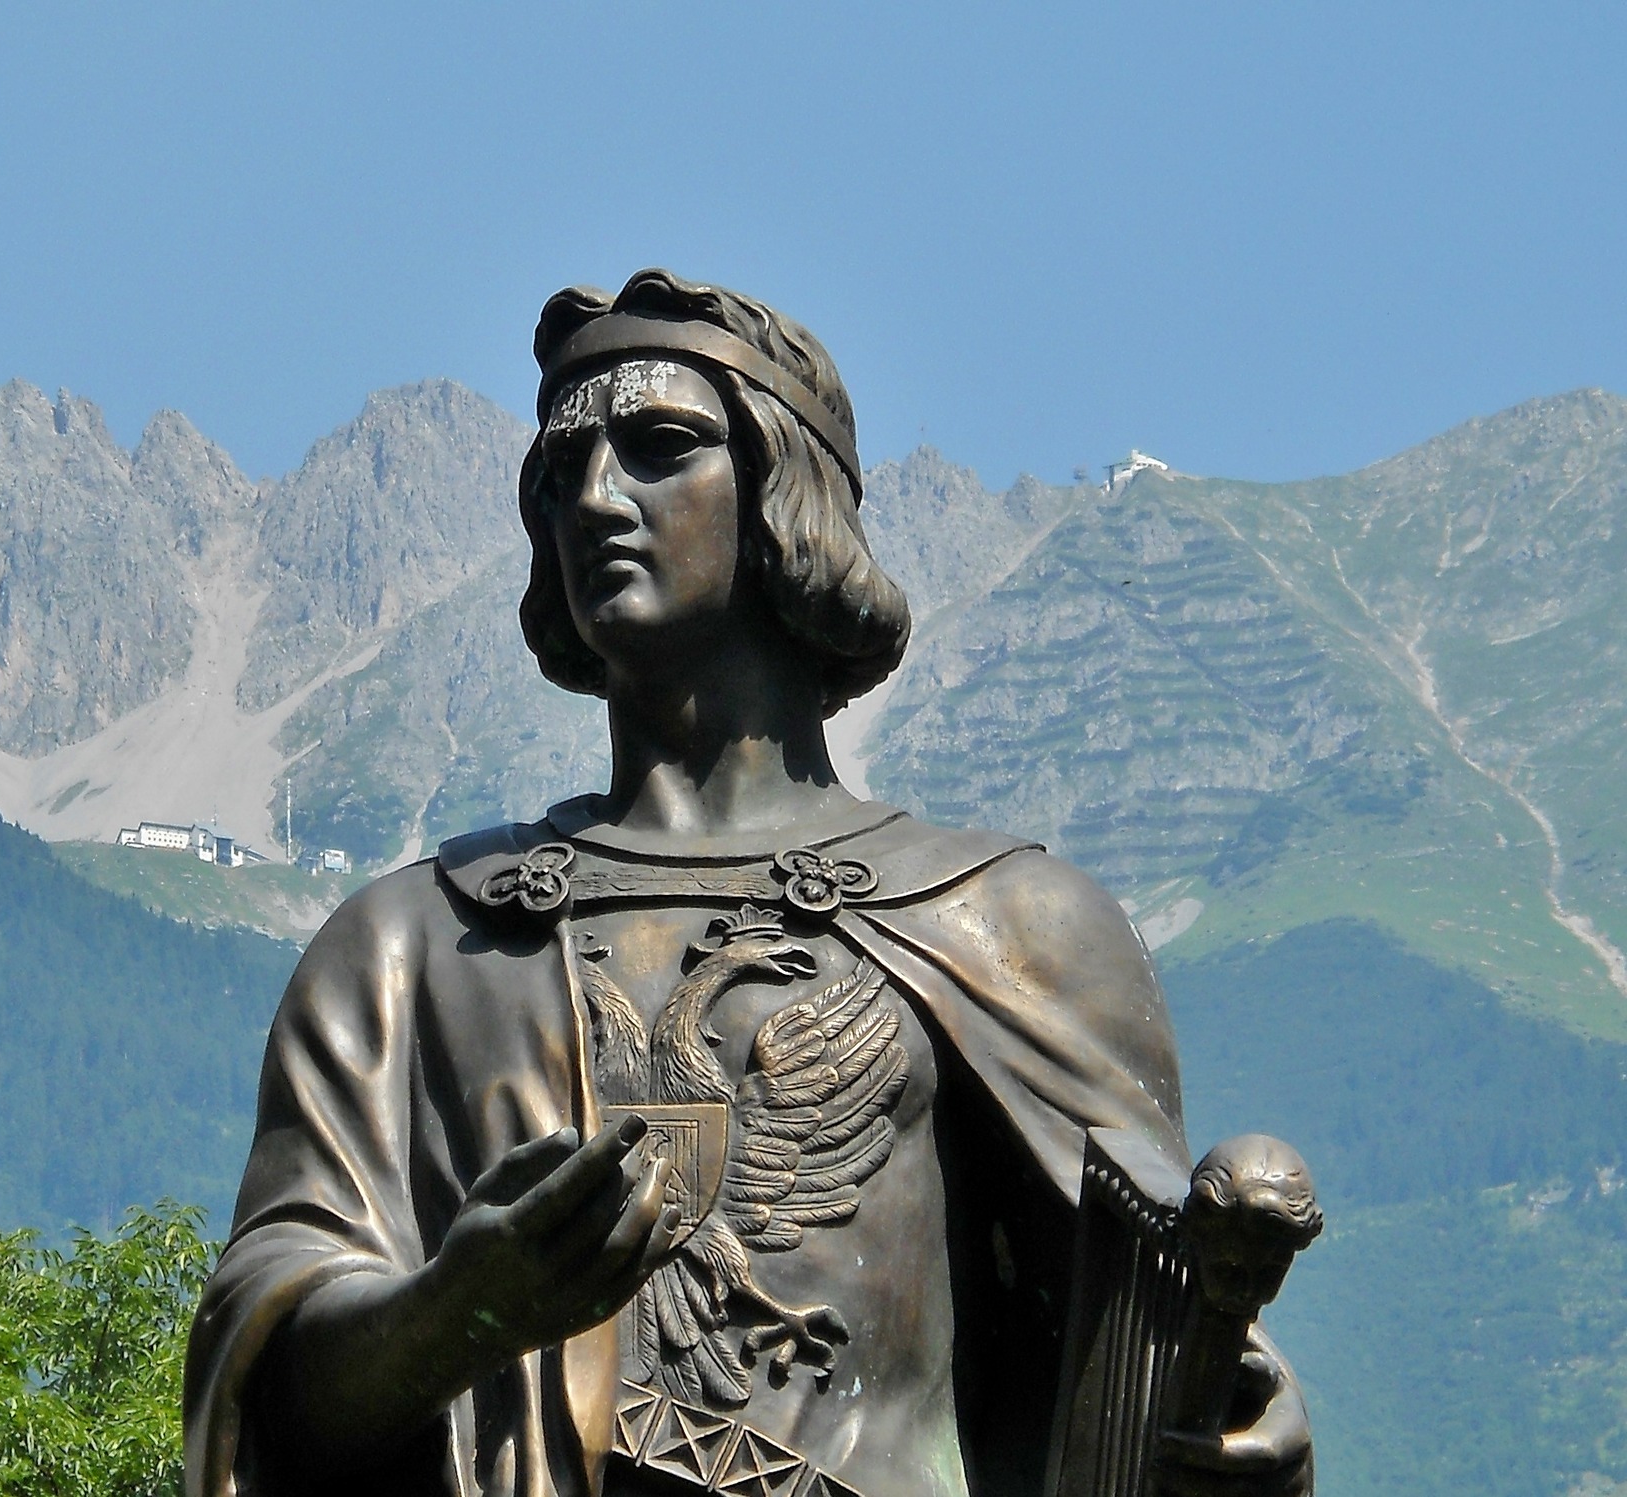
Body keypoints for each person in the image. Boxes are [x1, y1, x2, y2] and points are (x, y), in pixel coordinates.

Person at [183, 270, 1312, 1497]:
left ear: (784, 489)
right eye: (559, 472)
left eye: (658, 448)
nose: (594, 498)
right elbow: (261, 1387)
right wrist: (459, 1310)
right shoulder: (410, 948)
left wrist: (1241, 1424)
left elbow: (1131, 1362)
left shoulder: (1007, 926)